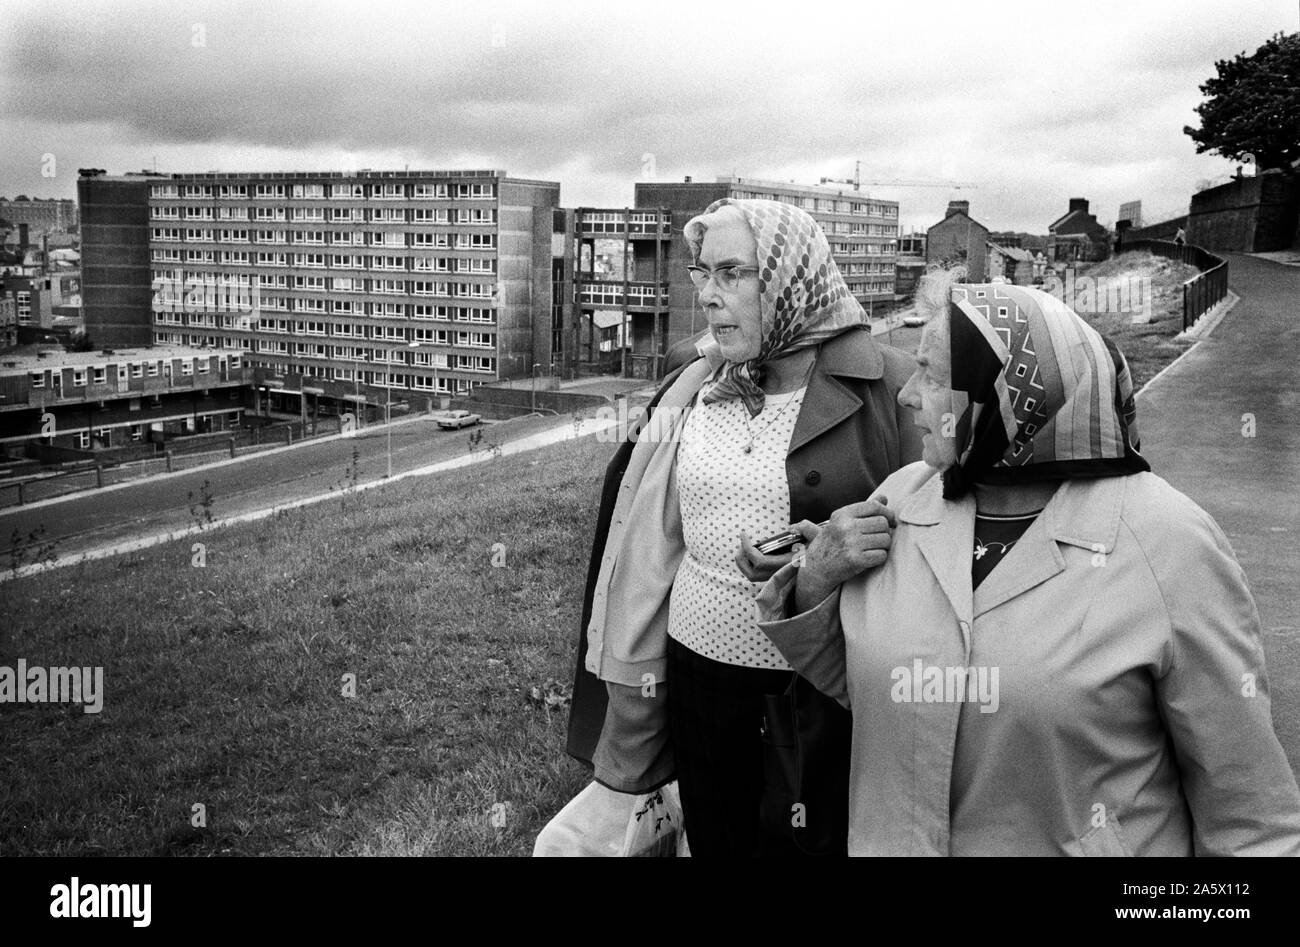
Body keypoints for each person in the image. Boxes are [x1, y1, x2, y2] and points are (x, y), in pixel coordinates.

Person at [756, 272, 1300, 855]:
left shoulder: (1170, 543)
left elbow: (1250, 818)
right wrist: (815, 580)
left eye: (932, 376)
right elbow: (867, 685)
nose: (906, 394)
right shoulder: (903, 497)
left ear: (1010, 395)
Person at [555, 198, 923, 856]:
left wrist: (814, 566)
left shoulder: (891, 388)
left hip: (812, 688)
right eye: (703, 274)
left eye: (732, 273)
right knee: (715, 833)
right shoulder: (697, 382)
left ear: (790, 276)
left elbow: (930, 549)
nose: (710, 297)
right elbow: (648, 527)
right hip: (695, 674)